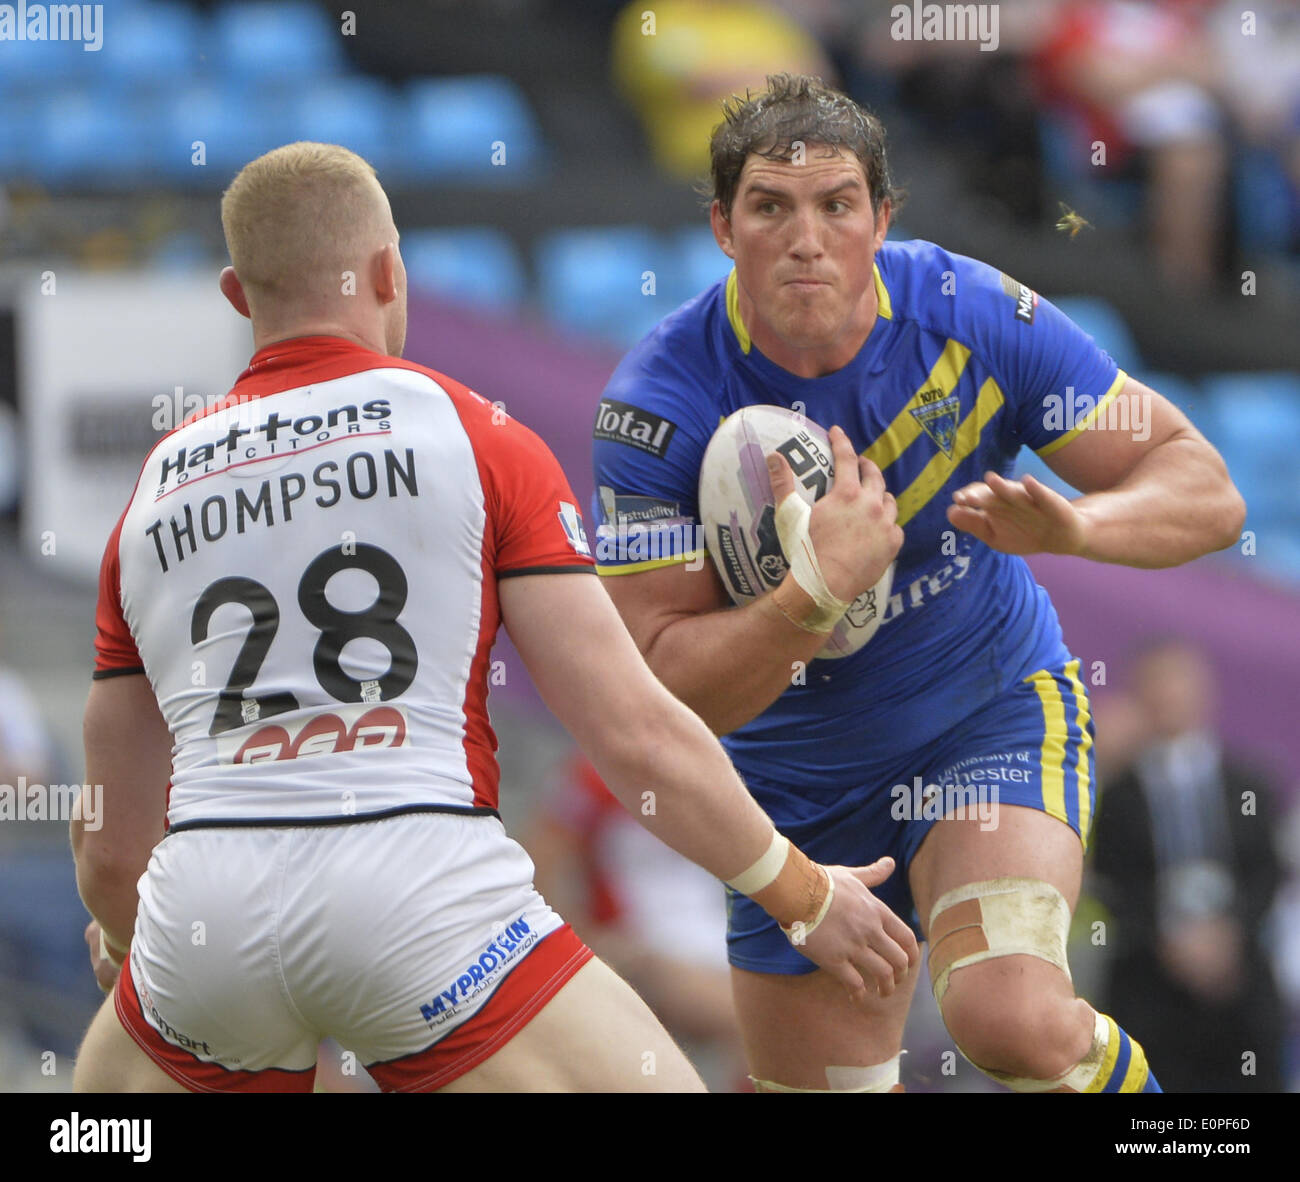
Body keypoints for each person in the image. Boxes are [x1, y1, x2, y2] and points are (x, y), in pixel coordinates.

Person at [69, 141, 918, 1094]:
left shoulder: (150, 498)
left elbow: (109, 844)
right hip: (416, 892)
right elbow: (633, 732)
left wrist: (128, 937)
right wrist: (804, 896)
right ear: (391, 273)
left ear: (236, 295)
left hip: (208, 913)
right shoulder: (473, 433)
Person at [591, 74, 1245, 1093]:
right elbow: (670, 689)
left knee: (1013, 1021)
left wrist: (1079, 524)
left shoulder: (972, 315)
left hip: (983, 723)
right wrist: (816, 591)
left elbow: (1204, 489)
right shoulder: (657, 405)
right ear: (723, 226)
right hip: (789, 789)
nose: (805, 237)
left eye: (835, 205)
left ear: (879, 218)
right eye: (770, 206)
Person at [1090, 638, 1285, 1092]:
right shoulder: (1118, 795)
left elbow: (1267, 872)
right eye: (1157, 686)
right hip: (1149, 989)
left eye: (1180, 684)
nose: (1170, 698)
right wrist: (1168, 941)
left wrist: (1227, 935)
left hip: (1239, 987)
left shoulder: (1249, 784)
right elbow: (1111, 881)